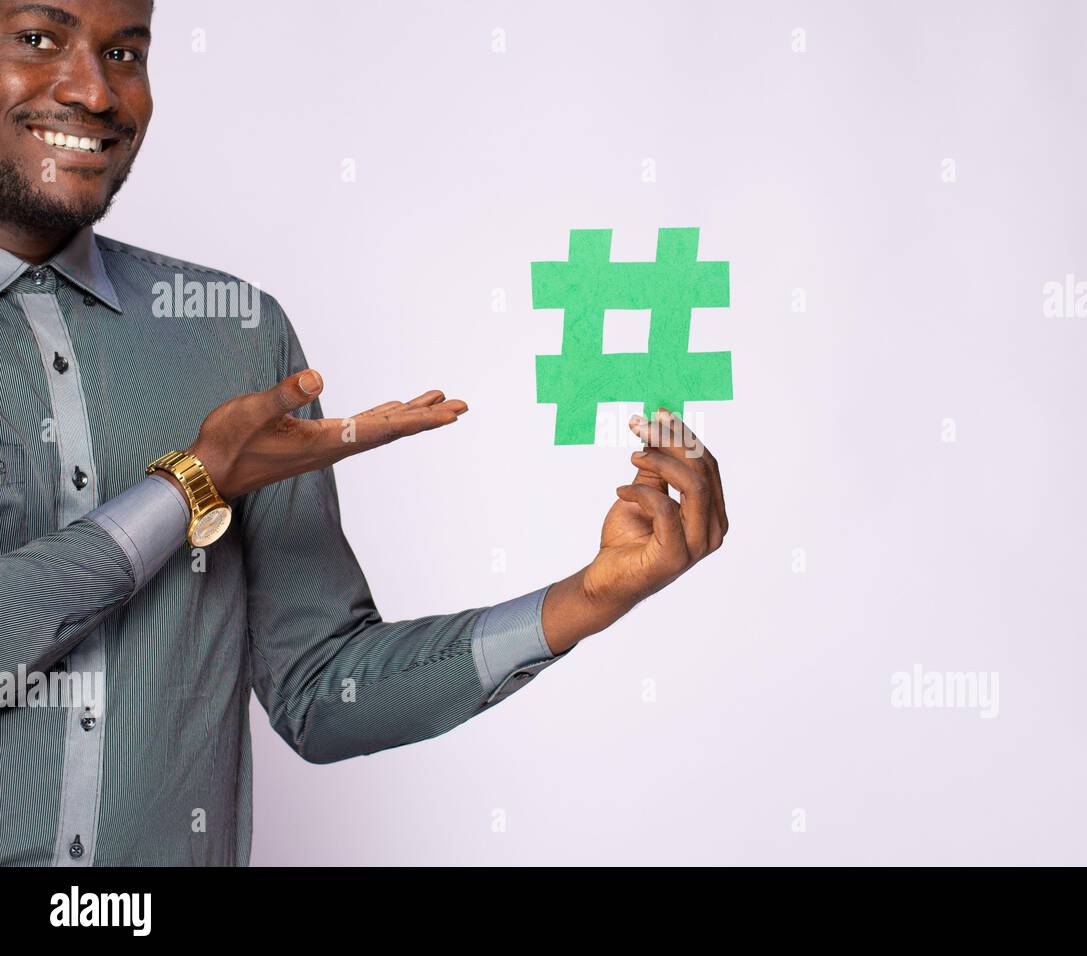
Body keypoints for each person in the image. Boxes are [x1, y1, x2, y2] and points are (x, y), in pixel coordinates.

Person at [0, 0, 727, 866]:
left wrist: (589, 598)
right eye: (37, 39)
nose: (93, 89)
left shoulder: (233, 334)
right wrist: (191, 484)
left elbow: (319, 692)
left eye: (126, 51)